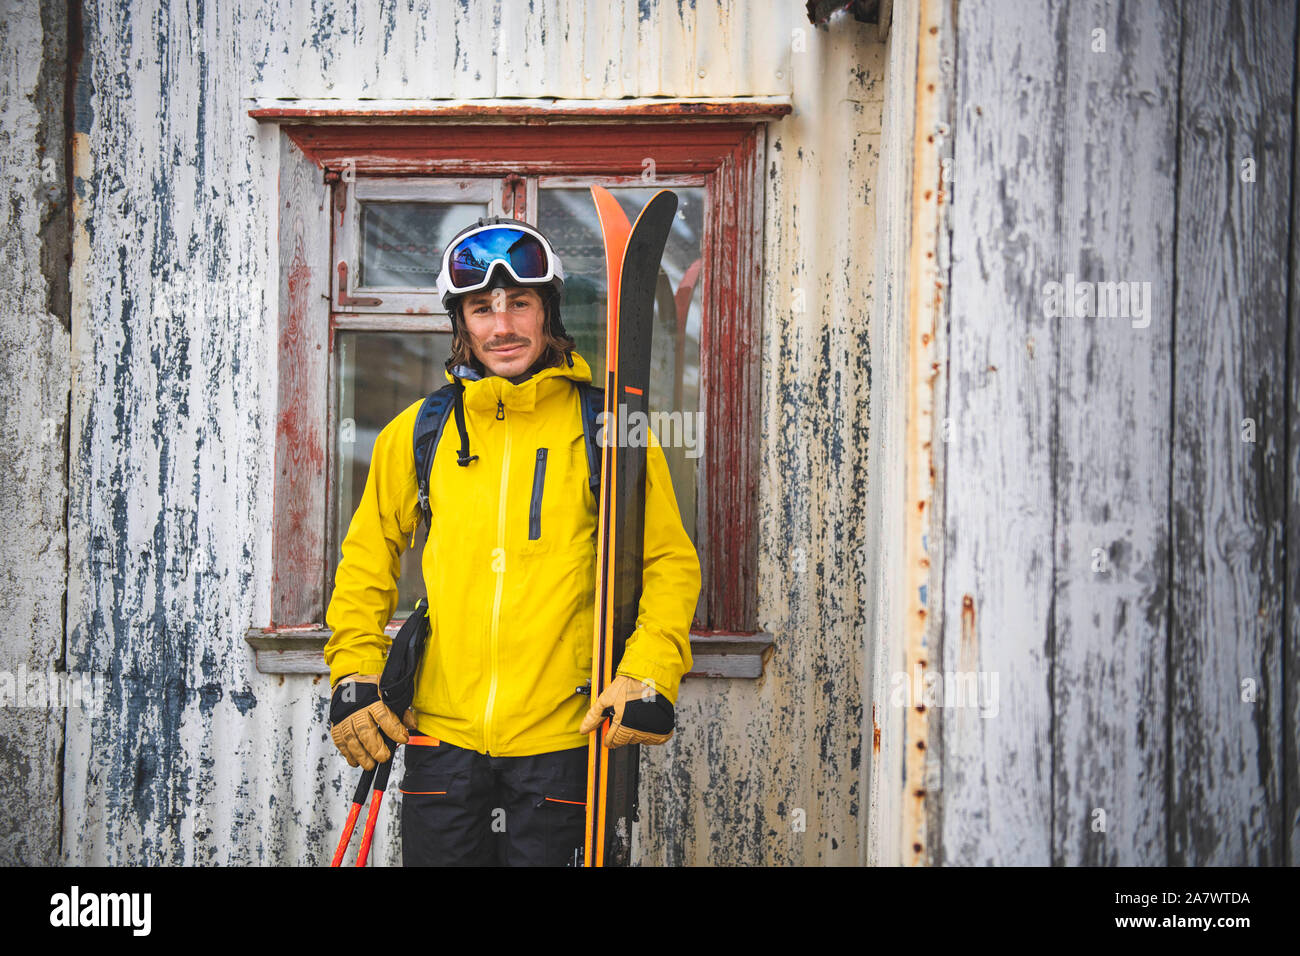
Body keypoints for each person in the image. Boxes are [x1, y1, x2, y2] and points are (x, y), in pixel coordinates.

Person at [323, 217, 701, 866]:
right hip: (439, 741)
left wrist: (647, 672)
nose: (503, 327)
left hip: (563, 745)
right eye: (482, 309)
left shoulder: (609, 426)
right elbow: (366, 560)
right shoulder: (419, 432)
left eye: (519, 304)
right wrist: (354, 670)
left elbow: (668, 562)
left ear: (548, 312)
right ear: (461, 323)